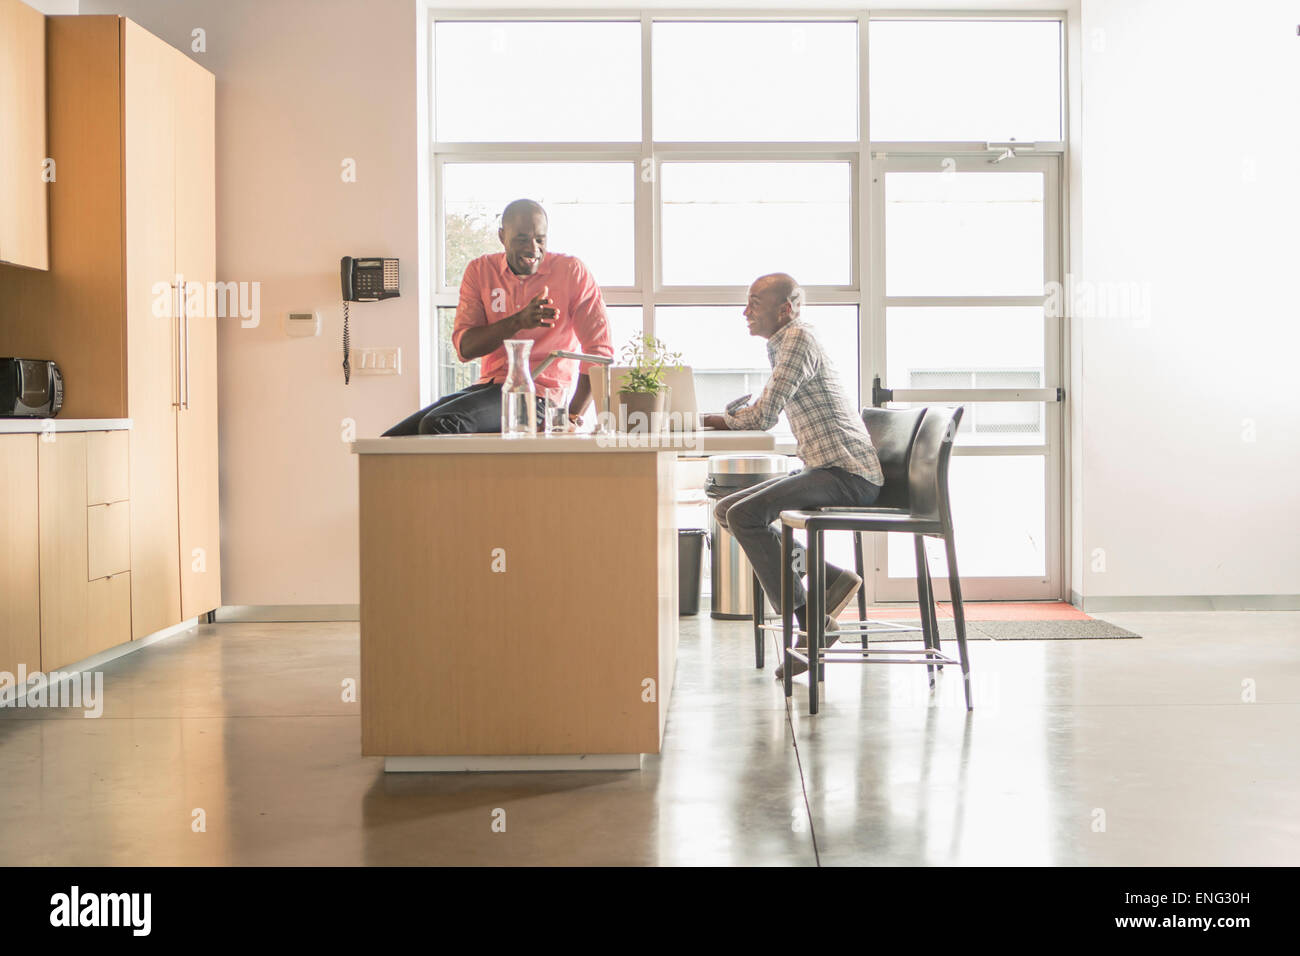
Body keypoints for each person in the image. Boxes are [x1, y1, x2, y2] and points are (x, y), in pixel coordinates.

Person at [703, 274, 884, 678]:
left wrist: (716, 418)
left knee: (744, 516)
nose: (745, 311)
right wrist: (723, 418)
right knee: (728, 508)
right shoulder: (786, 342)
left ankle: (812, 623)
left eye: (753, 302)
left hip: (847, 474)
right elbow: (764, 410)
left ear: (785, 309)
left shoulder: (798, 339)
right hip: (828, 468)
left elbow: (764, 416)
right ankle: (827, 577)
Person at [383, 199, 613, 435]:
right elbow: (466, 348)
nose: (533, 248)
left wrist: (572, 415)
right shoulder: (481, 271)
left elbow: (598, 352)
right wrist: (518, 321)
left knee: (440, 423)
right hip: (489, 388)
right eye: (522, 239)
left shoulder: (571, 271)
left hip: (540, 396)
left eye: (540, 239)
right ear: (502, 237)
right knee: (390, 443)